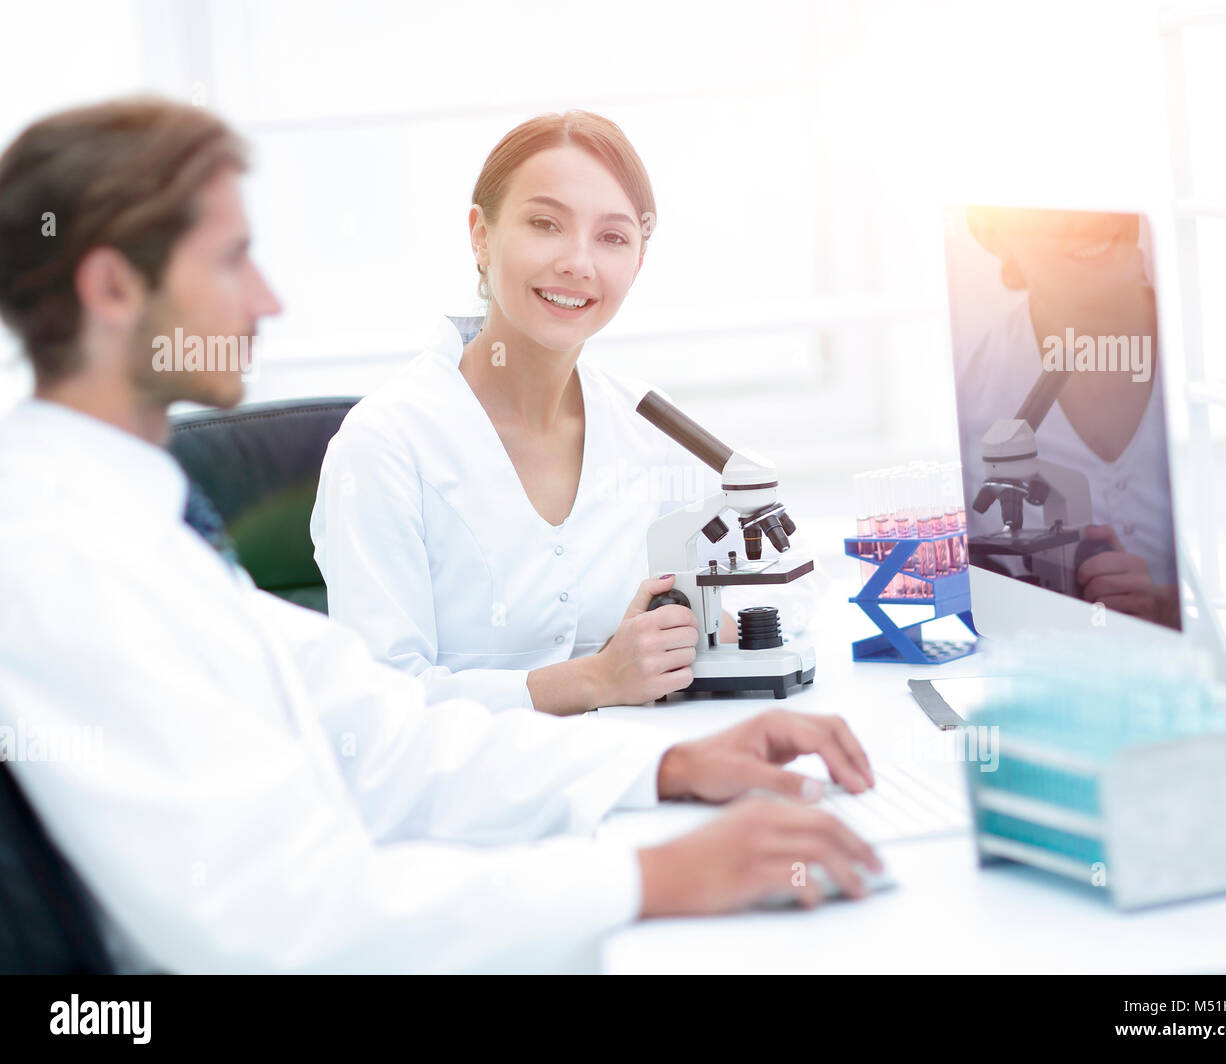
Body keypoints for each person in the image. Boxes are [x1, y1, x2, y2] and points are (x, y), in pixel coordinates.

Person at [0, 97, 881, 974]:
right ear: (113, 287)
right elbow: (269, 918)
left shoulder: (139, 523)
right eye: (233, 259)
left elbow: (384, 735)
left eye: (615, 236)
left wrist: (667, 769)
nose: (270, 298)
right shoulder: (65, 558)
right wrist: (645, 877)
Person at [310, 111, 820, 716]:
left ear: (637, 260)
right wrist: (597, 678)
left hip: (644, 775)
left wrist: (700, 632)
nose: (578, 262)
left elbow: (795, 589)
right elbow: (379, 706)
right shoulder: (384, 446)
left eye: (612, 237)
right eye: (546, 224)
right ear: (480, 235)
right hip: (470, 804)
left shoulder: (647, 427)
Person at [953, 207, 1180, 629]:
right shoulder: (968, 384)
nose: (1086, 219)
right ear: (992, 228)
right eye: (1047, 207)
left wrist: (1170, 607)